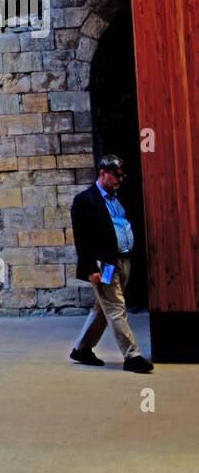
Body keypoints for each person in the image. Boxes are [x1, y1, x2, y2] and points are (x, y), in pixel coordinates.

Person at [70, 154, 152, 372]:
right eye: (115, 175)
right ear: (102, 173)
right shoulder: (85, 200)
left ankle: (82, 349)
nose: (119, 180)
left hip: (123, 260)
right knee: (116, 308)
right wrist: (89, 268)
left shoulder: (118, 199)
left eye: (121, 176)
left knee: (102, 308)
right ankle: (132, 356)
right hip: (103, 264)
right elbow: (82, 238)